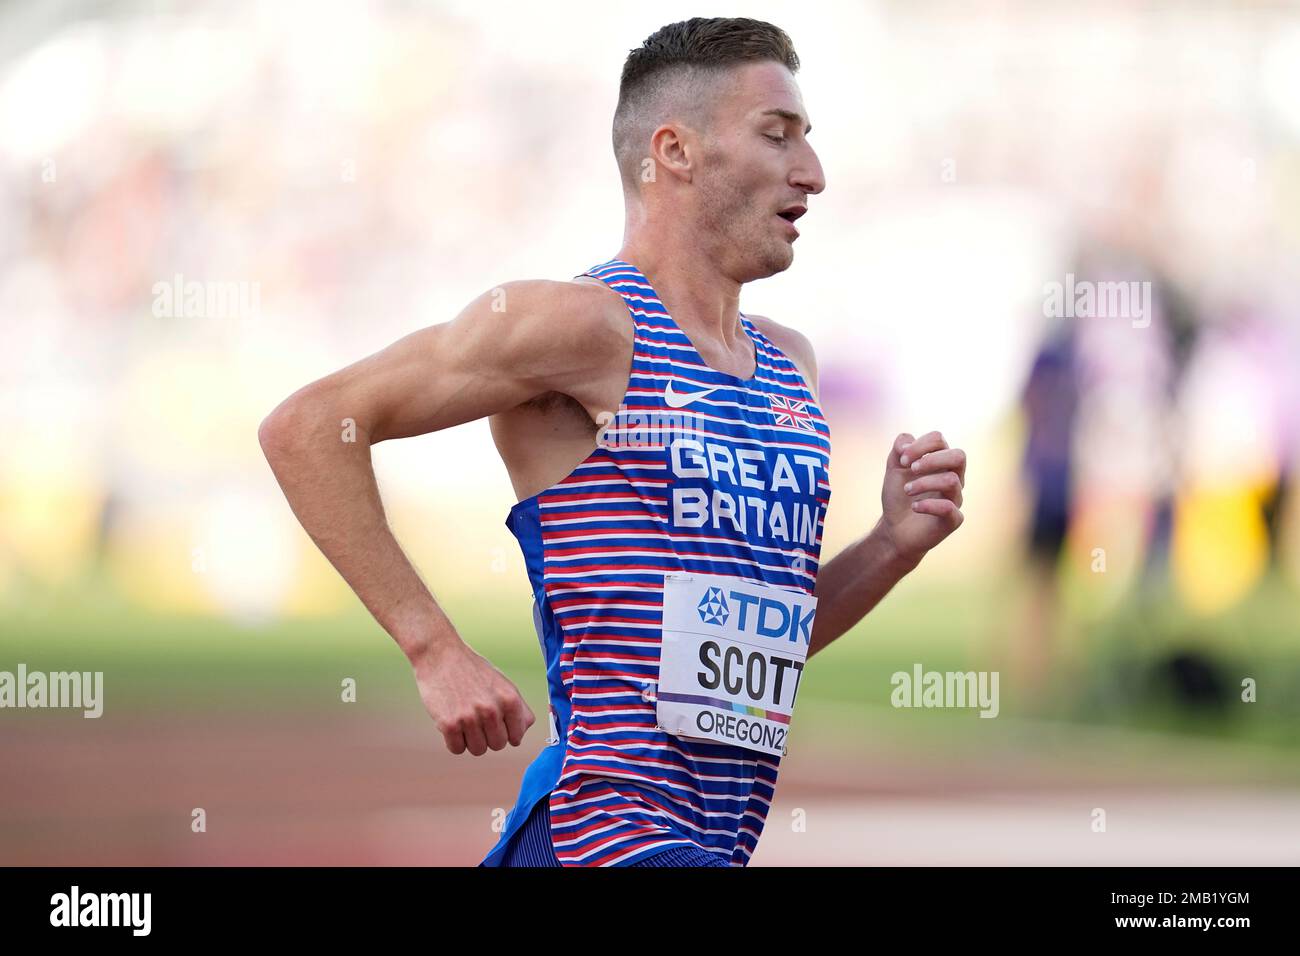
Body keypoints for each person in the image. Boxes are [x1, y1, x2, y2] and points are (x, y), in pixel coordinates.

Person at [258, 17, 966, 867]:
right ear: (674, 151)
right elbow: (307, 428)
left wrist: (891, 546)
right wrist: (433, 647)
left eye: (808, 142)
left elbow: (762, 645)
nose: (811, 174)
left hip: (711, 844)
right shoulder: (581, 325)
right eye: (777, 137)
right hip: (606, 835)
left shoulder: (790, 367)